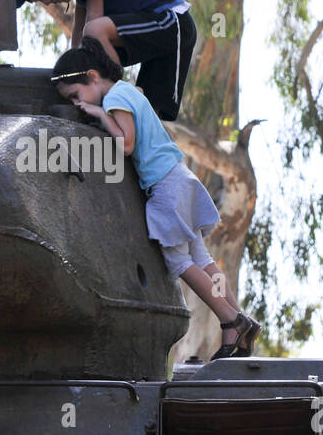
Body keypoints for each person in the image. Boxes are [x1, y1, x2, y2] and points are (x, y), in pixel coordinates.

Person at [50, 37, 260, 360]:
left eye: (77, 95)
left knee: (179, 261)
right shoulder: (131, 90)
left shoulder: (114, 99)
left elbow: (127, 143)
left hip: (164, 186)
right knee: (202, 258)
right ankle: (240, 319)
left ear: (92, 77)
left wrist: (99, 115)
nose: (79, 103)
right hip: (180, 176)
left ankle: (229, 320)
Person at [11, 0, 196, 122]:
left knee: (94, 31)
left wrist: (85, 78)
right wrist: (70, 65)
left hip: (171, 21)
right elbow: (78, 34)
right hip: (163, 32)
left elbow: (93, 23)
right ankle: (136, 114)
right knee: (149, 117)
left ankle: (120, 97)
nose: (46, 2)